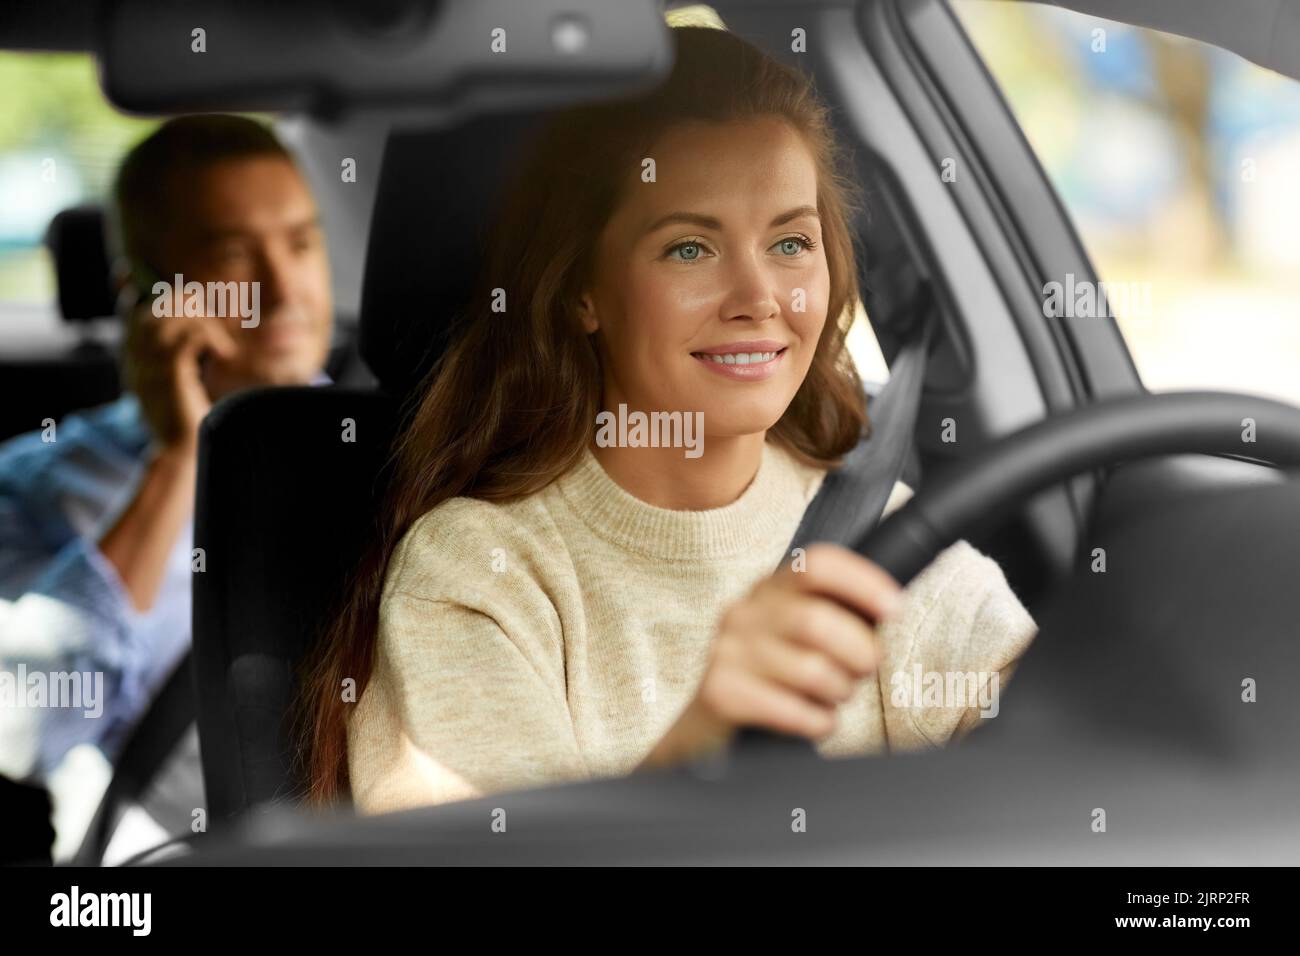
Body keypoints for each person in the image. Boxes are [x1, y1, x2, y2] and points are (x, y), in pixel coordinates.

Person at [304, 26, 1037, 814]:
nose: (759, 297)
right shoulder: (481, 576)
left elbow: (1063, 774)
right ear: (584, 291)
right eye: (690, 249)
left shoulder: (889, 542)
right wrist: (704, 738)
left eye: (791, 242)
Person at [0, 115, 335, 857]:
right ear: (147, 293)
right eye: (234, 256)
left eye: (302, 244)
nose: (284, 290)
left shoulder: (409, 450)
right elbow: (17, 730)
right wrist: (182, 459)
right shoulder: (32, 485)